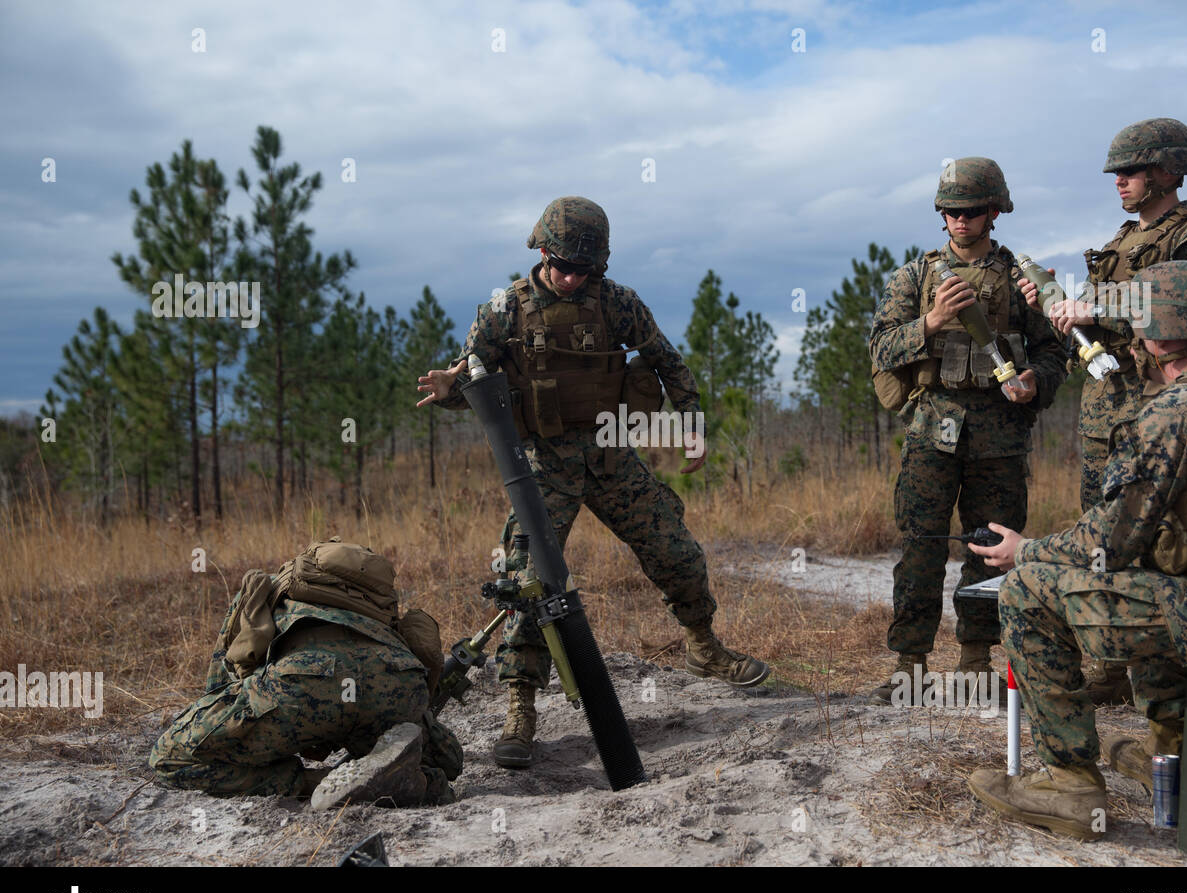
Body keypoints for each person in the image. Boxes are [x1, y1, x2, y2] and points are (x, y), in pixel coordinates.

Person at [417, 196, 769, 769]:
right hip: (543, 464)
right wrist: (449, 388)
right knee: (529, 581)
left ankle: (704, 648)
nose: (573, 277)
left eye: (586, 269)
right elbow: (471, 376)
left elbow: (666, 361)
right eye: (563, 265)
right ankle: (520, 705)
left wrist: (691, 424)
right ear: (541, 251)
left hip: (609, 451)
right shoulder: (504, 310)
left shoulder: (619, 303)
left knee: (674, 548)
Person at [968, 260, 1187, 841]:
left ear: (1163, 335)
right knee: (1160, 578)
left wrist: (1027, 551)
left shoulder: (1177, 411)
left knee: (1027, 590)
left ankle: (1069, 786)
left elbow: (1106, 544)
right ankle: (1181, 757)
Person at [1020, 118, 1187, 706]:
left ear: (1169, 170)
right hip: (1105, 413)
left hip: (1166, 409)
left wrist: (1088, 302)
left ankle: (1170, 687)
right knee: (1103, 539)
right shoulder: (1119, 243)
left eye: (1133, 170)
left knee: (1165, 541)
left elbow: (1177, 303)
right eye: (1117, 171)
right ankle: (1113, 666)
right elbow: (1096, 325)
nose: (1120, 180)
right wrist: (1057, 313)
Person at [867, 158, 1067, 705]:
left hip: (999, 437)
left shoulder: (1023, 281)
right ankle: (910, 664)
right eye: (950, 210)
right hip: (932, 432)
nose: (959, 220)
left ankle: (977, 662)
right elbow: (880, 348)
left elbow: (1056, 354)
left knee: (990, 551)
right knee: (921, 547)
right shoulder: (914, 277)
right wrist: (929, 321)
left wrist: (1034, 381)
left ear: (995, 211)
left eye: (971, 210)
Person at [150, 548, 463, 810]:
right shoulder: (377, 603)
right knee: (431, 756)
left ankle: (319, 782)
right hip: (395, 679)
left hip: (308, 681)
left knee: (170, 757)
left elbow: (228, 674)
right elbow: (453, 760)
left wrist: (224, 720)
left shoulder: (267, 587)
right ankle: (425, 782)